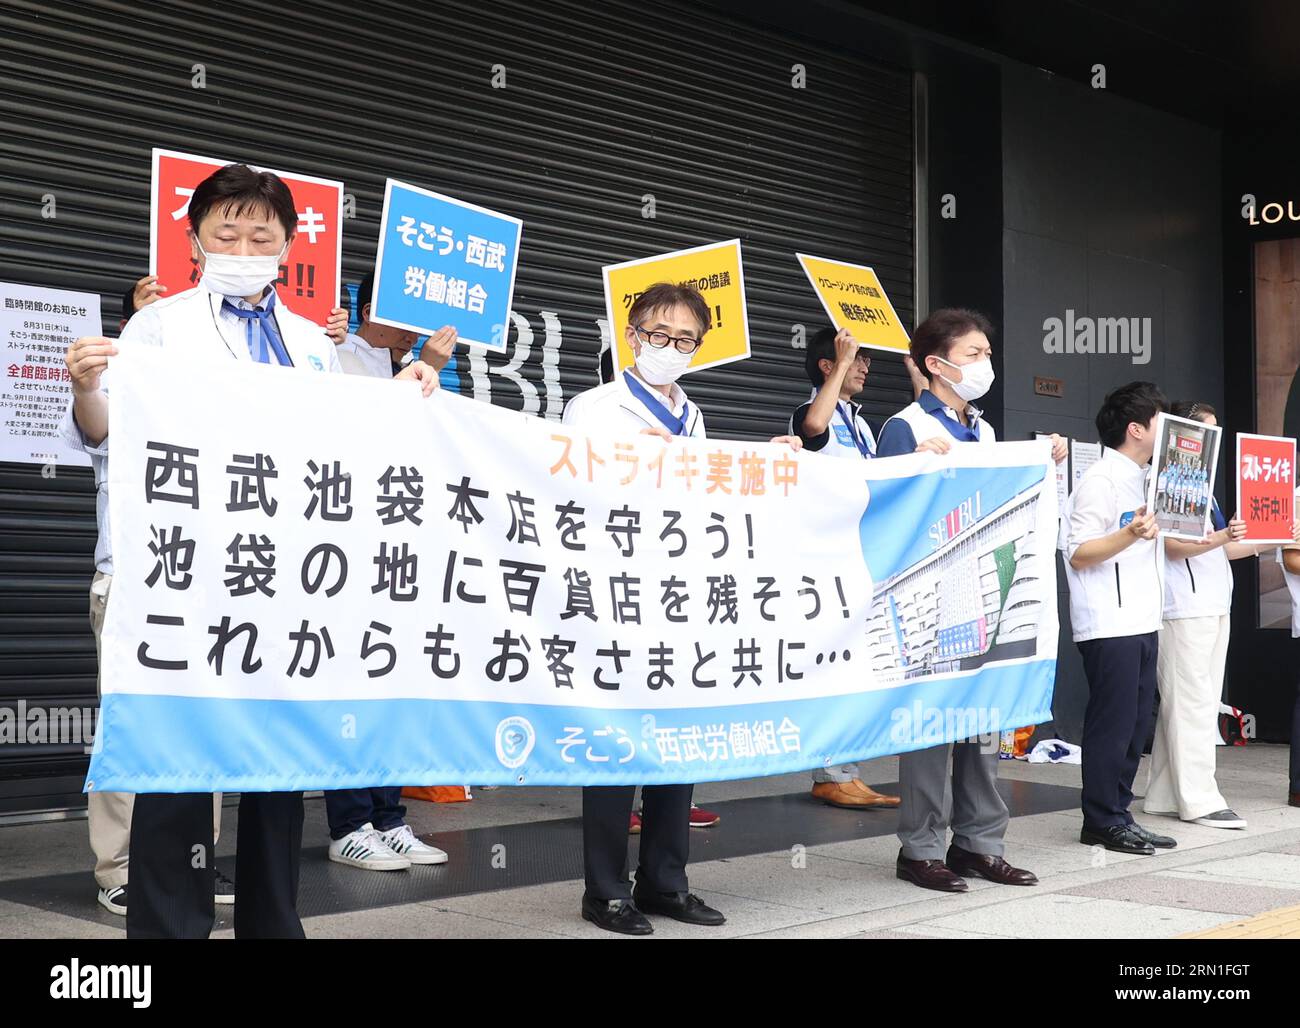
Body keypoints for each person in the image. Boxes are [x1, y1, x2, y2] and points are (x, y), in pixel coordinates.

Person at [61, 163, 439, 938]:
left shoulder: (309, 343)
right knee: (176, 757)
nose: (242, 243)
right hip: (179, 580)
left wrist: (410, 390)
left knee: (278, 763)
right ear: (194, 239)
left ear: (287, 244)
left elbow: (344, 448)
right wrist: (86, 388)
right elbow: (109, 437)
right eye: (224, 230)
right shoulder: (158, 327)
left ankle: (275, 920)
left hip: (282, 583)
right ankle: (168, 923)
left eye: (260, 232)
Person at [562, 281, 801, 935]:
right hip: (616, 593)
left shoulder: (691, 414)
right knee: (614, 744)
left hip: (678, 596)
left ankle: (665, 882)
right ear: (632, 333)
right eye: (658, 334)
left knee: (677, 742)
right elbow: (573, 493)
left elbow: (704, 490)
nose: (669, 347)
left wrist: (763, 460)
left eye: (684, 339)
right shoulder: (595, 407)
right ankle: (605, 891)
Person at [876, 308, 1061, 892]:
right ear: (936, 364)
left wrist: (1039, 460)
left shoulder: (980, 430)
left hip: (981, 593)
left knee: (982, 721)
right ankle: (921, 848)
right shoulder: (903, 426)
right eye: (974, 354)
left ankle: (980, 843)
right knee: (931, 727)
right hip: (927, 601)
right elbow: (880, 512)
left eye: (986, 353)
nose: (985, 364)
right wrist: (917, 472)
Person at [324, 269, 457, 870]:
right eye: (408, 305)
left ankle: (389, 818)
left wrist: (430, 364)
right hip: (346, 547)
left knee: (395, 683)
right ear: (374, 303)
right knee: (352, 680)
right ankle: (349, 824)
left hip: (401, 547)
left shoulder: (416, 364)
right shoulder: (334, 355)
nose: (415, 320)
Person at [788, 325, 922, 811]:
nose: (866, 367)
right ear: (829, 366)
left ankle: (847, 770)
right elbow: (813, 430)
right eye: (857, 360)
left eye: (862, 360)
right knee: (832, 667)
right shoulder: (813, 410)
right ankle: (830, 773)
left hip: (859, 556)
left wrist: (917, 377)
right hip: (825, 561)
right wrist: (842, 359)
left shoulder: (862, 423)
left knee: (855, 667)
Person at [1148, 401, 1273, 830]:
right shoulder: (1165, 478)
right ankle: (1199, 799)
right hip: (1184, 608)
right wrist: (1223, 534)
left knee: (1189, 702)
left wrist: (1266, 540)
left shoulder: (1203, 486)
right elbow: (1172, 545)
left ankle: (1165, 794)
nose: (1213, 440)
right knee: (1193, 704)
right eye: (1206, 431)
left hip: (1213, 603)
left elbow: (1221, 549)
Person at [1064, 381, 1175, 856]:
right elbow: (1078, 553)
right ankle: (1101, 820)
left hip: (1142, 618)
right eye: (1160, 422)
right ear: (1136, 429)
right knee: (1112, 723)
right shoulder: (1100, 480)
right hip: (1109, 621)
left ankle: (1120, 812)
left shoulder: (1145, 478)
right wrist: (1130, 533)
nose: (1166, 431)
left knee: (1135, 722)